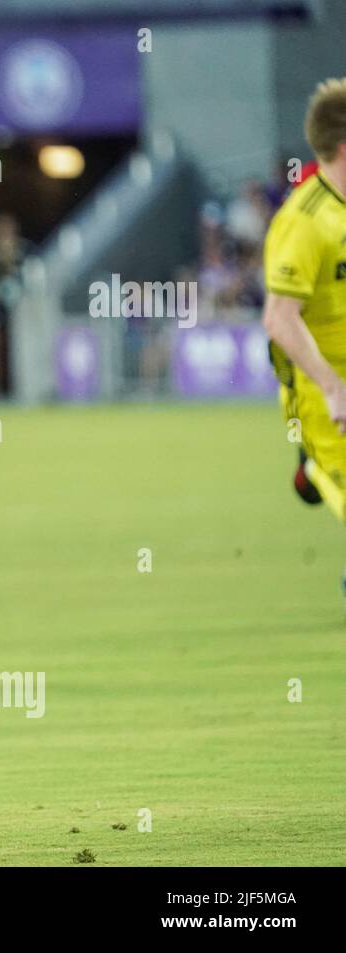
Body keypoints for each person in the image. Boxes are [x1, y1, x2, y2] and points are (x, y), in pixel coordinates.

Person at [261, 78, 346, 602]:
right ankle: (312, 462)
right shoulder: (304, 221)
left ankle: (311, 473)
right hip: (321, 390)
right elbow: (279, 317)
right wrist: (333, 387)